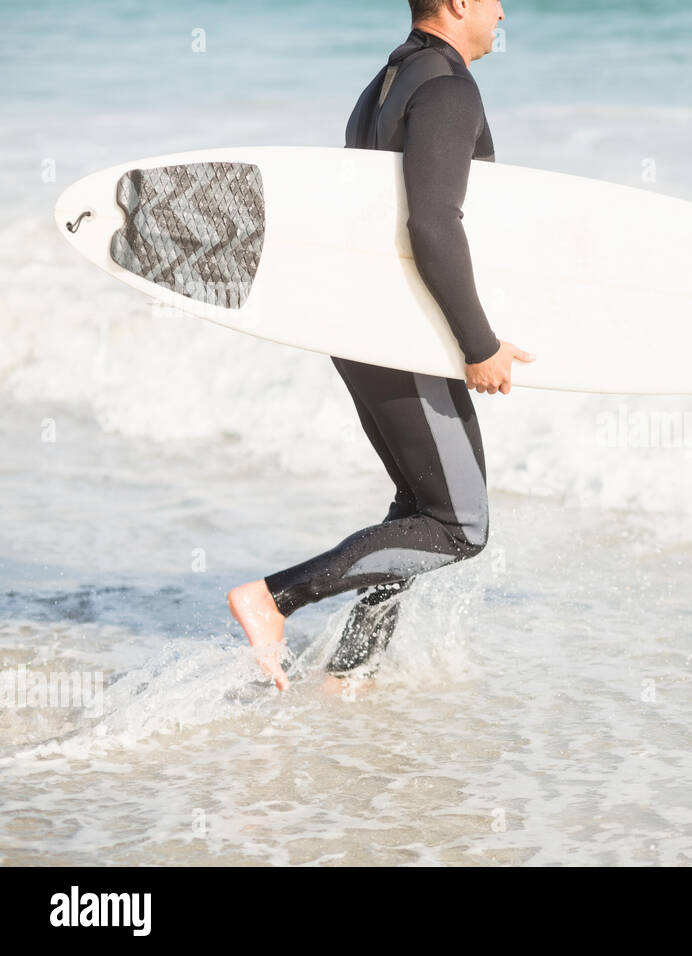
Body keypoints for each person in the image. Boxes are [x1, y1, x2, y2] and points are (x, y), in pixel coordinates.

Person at [226, 0, 531, 691]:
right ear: (458, 4)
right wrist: (479, 344)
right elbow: (433, 223)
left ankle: (349, 672)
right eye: (492, 0)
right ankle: (273, 598)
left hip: (362, 326)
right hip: (400, 332)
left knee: (417, 511)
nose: (503, 12)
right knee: (460, 528)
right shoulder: (449, 88)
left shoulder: (385, 86)